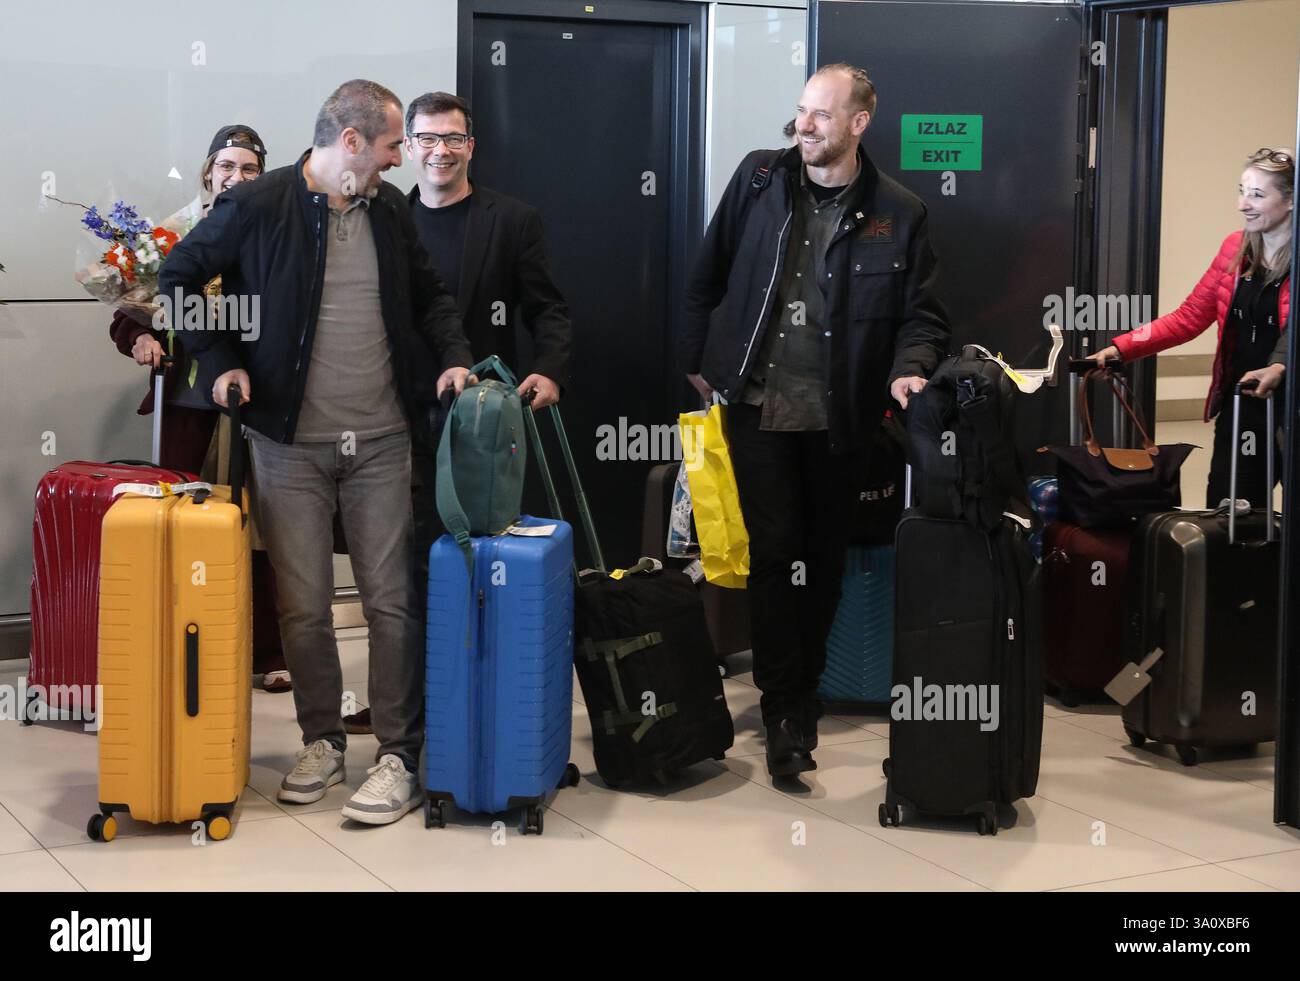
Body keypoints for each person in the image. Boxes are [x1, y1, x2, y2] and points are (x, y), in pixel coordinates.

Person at [160, 80, 475, 826]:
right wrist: (220, 357)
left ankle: (398, 752)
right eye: (396, 144)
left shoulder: (389, 210)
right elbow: (175, 280)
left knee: (390, 601)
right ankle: (321, 740)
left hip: (381, 440)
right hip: (287, 444)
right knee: (302, 608)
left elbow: (431, 299)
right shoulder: (258, 204)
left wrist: (456, 355)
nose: (405, 159)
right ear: (354, 143)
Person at [681, 63, 950, 780]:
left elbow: (923, 316)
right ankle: (786, 712)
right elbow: (707, 276)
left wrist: (909, 365)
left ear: (859, 123)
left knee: (822, 559)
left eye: (821, 115)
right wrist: (698, 361)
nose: (804, 125)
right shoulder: (759, 180)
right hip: (757, 405)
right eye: (801, 111)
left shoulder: (900, 210)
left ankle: (801, 696)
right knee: (774, 552)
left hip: (842, 414)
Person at [343, 90, 572, 734]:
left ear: (471, 146)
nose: (441, 151)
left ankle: (477, 695)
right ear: (407, 147)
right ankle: (402, 706)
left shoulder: (512, 220)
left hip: (481, 427)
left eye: (454, 139)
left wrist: (549, 369)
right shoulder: (383, 216)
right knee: (398, 568)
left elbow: (547, 308)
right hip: (390, 419)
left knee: (476, 559)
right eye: (427, 139)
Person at [108, 124, 291, 693]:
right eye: (227, 166)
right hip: (186, 404)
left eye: (249, 169)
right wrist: (139, 339)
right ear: (208, 172)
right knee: (182, 519)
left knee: (262, 527)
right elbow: (131, 313)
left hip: (255, 402)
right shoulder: (171, 236)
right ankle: (183, 637)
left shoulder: (272, 231)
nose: (236, 177)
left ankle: (268, 652)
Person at [1091, 147, 1293, 508]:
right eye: (1242, 190)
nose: (1243, 204)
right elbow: (1189, 317)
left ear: (1291, 201)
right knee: (1230, 512)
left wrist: (1279, 367)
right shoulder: (1235, 248)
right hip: (1245, 401)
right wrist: (1122, 348)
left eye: (1258, 195)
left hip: (1290, 402)